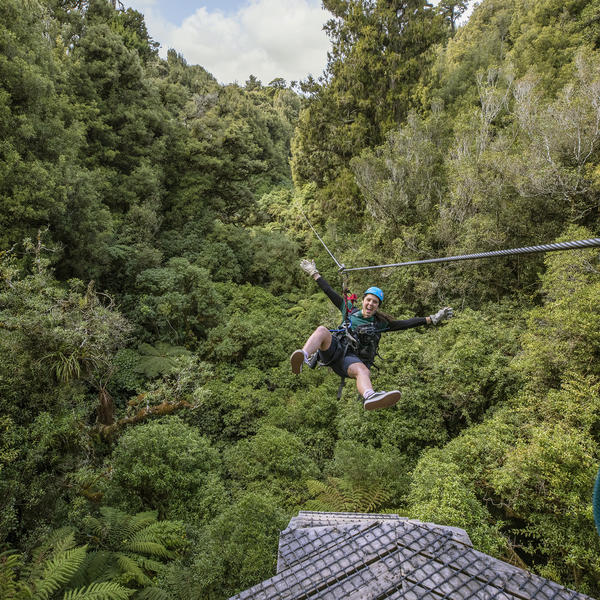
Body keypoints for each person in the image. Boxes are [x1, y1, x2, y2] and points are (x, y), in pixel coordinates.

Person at [290, 259, 454, 410]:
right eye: (368, 300)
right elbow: (328, 291)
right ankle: (303, 356)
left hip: (351, 361)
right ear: (363, 300)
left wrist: (431, 319)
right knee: (322, 330)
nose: (370, 304)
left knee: (363, 371)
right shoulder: (349, 309)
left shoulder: (380, 323)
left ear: (377, 306)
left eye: (374, 302)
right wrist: (314, 273)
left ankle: (370, 396)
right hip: (334, 350)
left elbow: (406, 323)